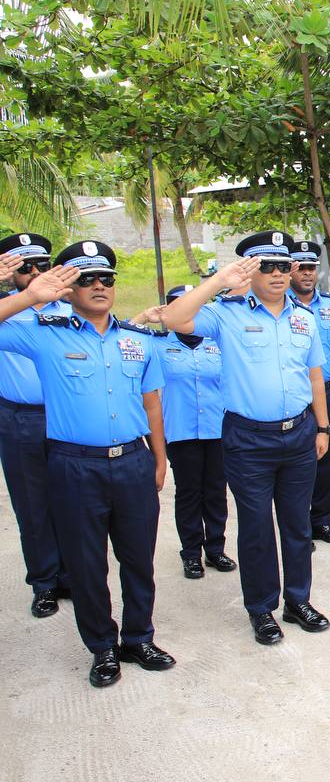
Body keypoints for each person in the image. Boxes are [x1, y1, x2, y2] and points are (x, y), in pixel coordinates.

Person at [0, 242, 174, 687]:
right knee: (86, 563)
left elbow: (152, 404)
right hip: (75, 465)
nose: (98, 286)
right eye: (86, 279)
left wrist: (159, 459)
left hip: (133, 461)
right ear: (68, 287)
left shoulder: (137, 341)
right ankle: (102, 647)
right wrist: (28, 296)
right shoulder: (43, 333)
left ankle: (139, 637)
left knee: (138, 558)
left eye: (106, 278)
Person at [165, 231, 330, 646]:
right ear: (250, 270)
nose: (277, 274)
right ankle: (261, 608)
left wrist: (323, 426)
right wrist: (218, 282)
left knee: (297, 524)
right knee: (257, 527)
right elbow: (174, 319)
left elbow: (314, 374)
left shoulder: (303, 319)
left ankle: (297, 600)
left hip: (298, 435)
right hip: (248, 440)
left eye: (284, 265)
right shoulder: (227, 313)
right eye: (267, 266)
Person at [132, 286, 237, 579]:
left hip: (217, 428)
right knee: (189, 492)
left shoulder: (218, 342)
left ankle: (215, 549)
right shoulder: (159, 344)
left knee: (216, 491)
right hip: (181, 430)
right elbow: (126, 338)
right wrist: (144, 316)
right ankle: (191, 553)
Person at [0, 233, 71, 618]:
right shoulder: (7, 308)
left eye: (41, 264)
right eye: (22, 267)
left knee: (74, 501)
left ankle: (73, 574)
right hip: (20, 418)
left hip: (67, 414)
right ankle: (44, 582)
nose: (34, 273)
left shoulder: (69, 307)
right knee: (32, 505)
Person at [287, 241, 330, 546]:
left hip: (329, 390)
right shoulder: (279, 305)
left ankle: (322, 520)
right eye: (300, 268)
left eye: (311, 267)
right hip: (297, 396)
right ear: (289, 271)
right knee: (299, 462)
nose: (307, 274)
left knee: (329, 459)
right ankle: (298, 526)